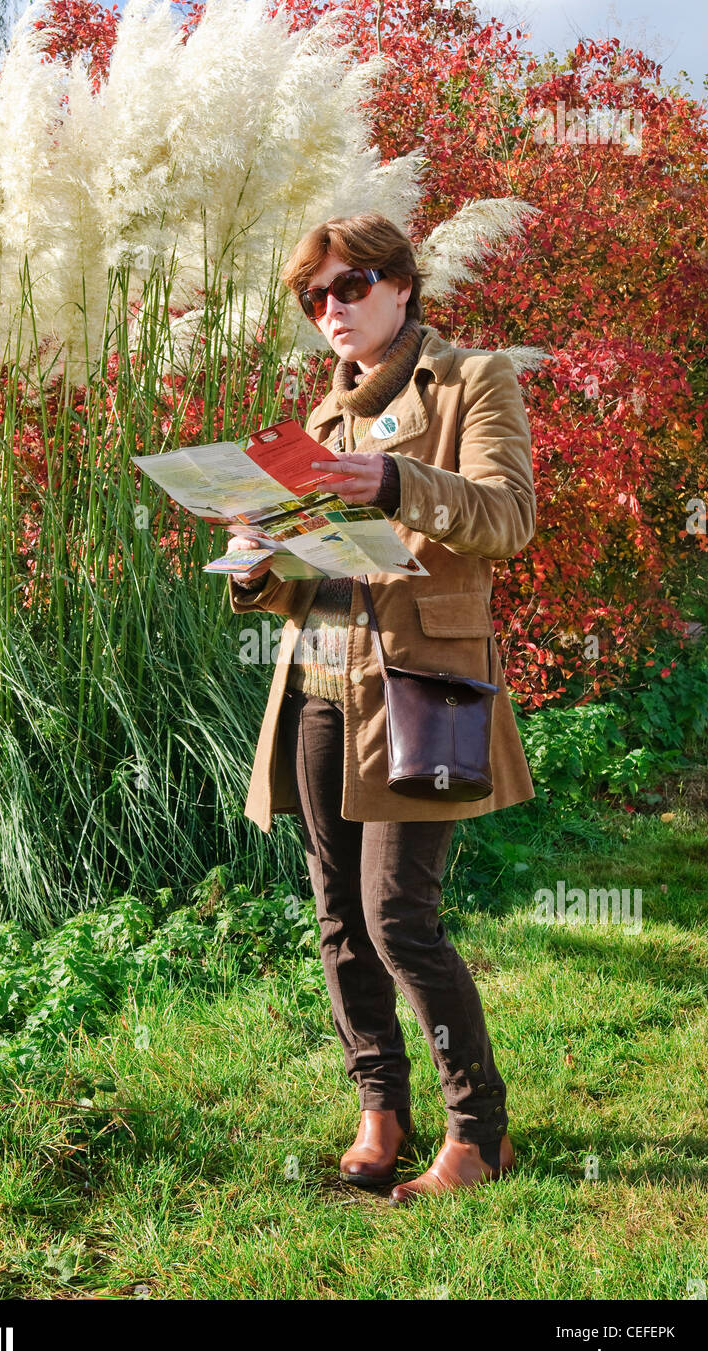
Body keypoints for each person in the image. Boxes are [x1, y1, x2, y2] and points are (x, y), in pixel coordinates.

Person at [225, 211, 536, 1202]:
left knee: (397, 915)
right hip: (317, 683)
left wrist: (393, 479)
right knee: (335, 917)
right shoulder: (317, 420)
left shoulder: (473, 380)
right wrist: (253, 560)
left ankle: (476, 1130)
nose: (329, 312)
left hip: (419, 686)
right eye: (311, 298)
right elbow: (304, 584)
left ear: (401, 285)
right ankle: (379, 1107)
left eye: (347, 286)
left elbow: (506, 518)